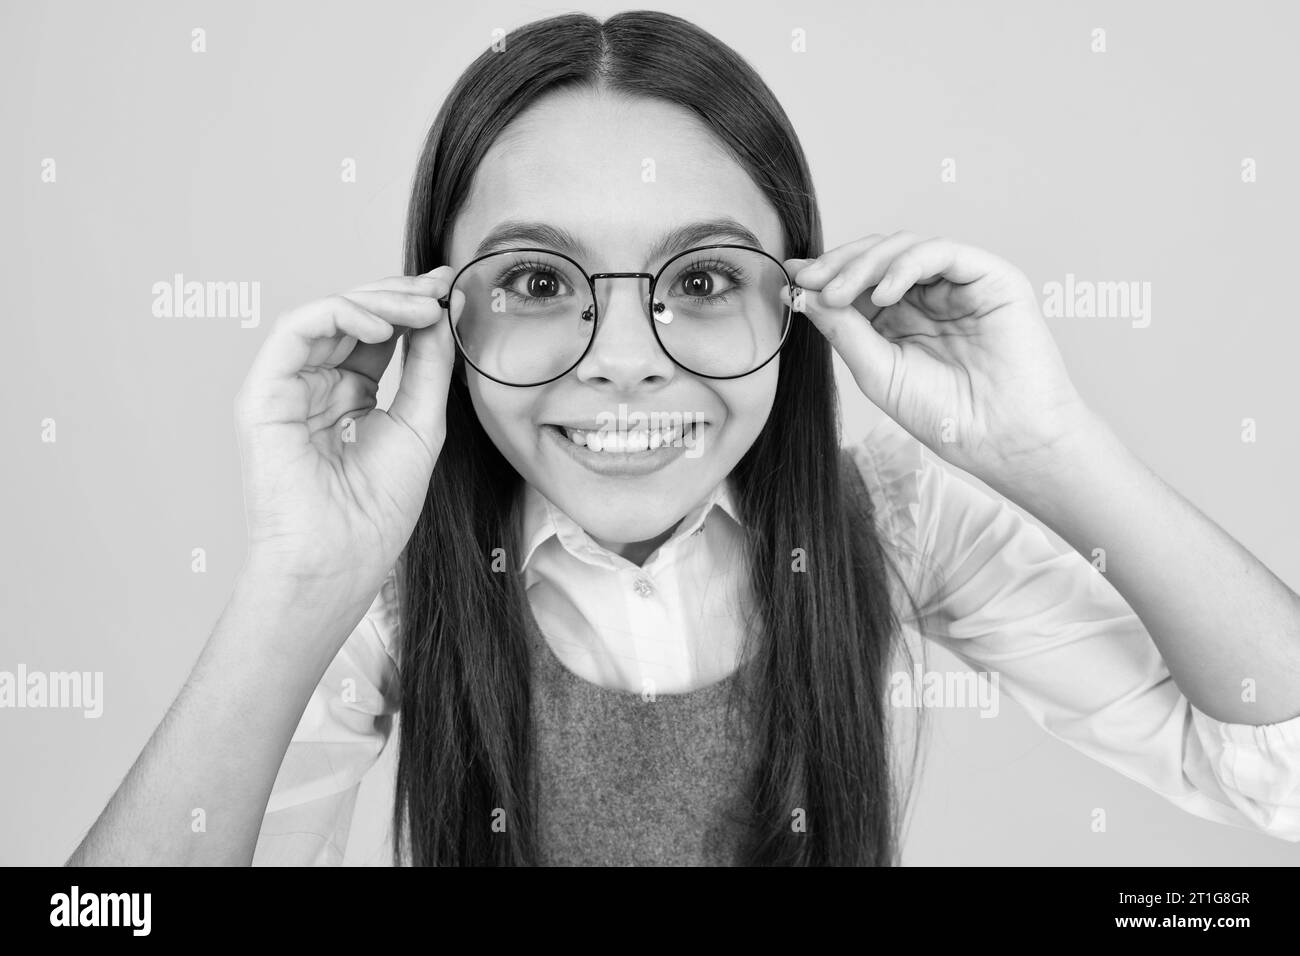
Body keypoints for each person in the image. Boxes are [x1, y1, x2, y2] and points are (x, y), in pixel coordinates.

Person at [68, 10, 1300, 867]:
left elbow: (1275, 775)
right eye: (541, 280)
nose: (621, 355)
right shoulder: (390, 592)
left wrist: (1049, 444)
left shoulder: (894, 521)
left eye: (701, 278)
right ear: (437, 311)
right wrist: (298, 580)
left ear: (794, 300)